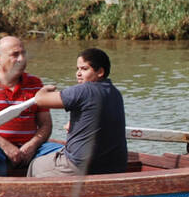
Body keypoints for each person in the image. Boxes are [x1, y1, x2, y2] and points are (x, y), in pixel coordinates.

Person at [0, 36, 62, 176]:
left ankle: (46, 190)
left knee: (65, 153)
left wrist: (32, 145)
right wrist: (6, 146)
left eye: (23, 54)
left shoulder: (35, 83)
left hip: (29, 147)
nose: (21, 59)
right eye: (15, 55)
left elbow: (46, 125)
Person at [28, 48, 128, 177]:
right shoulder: (115, 93)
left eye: (84, 69)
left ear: (100, 72)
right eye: (77, 69)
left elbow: (40, 100)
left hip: (80, 166)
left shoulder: (84, 90)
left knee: (35, 164)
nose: (78, 73)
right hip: (114, 166)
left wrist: (43, 90)